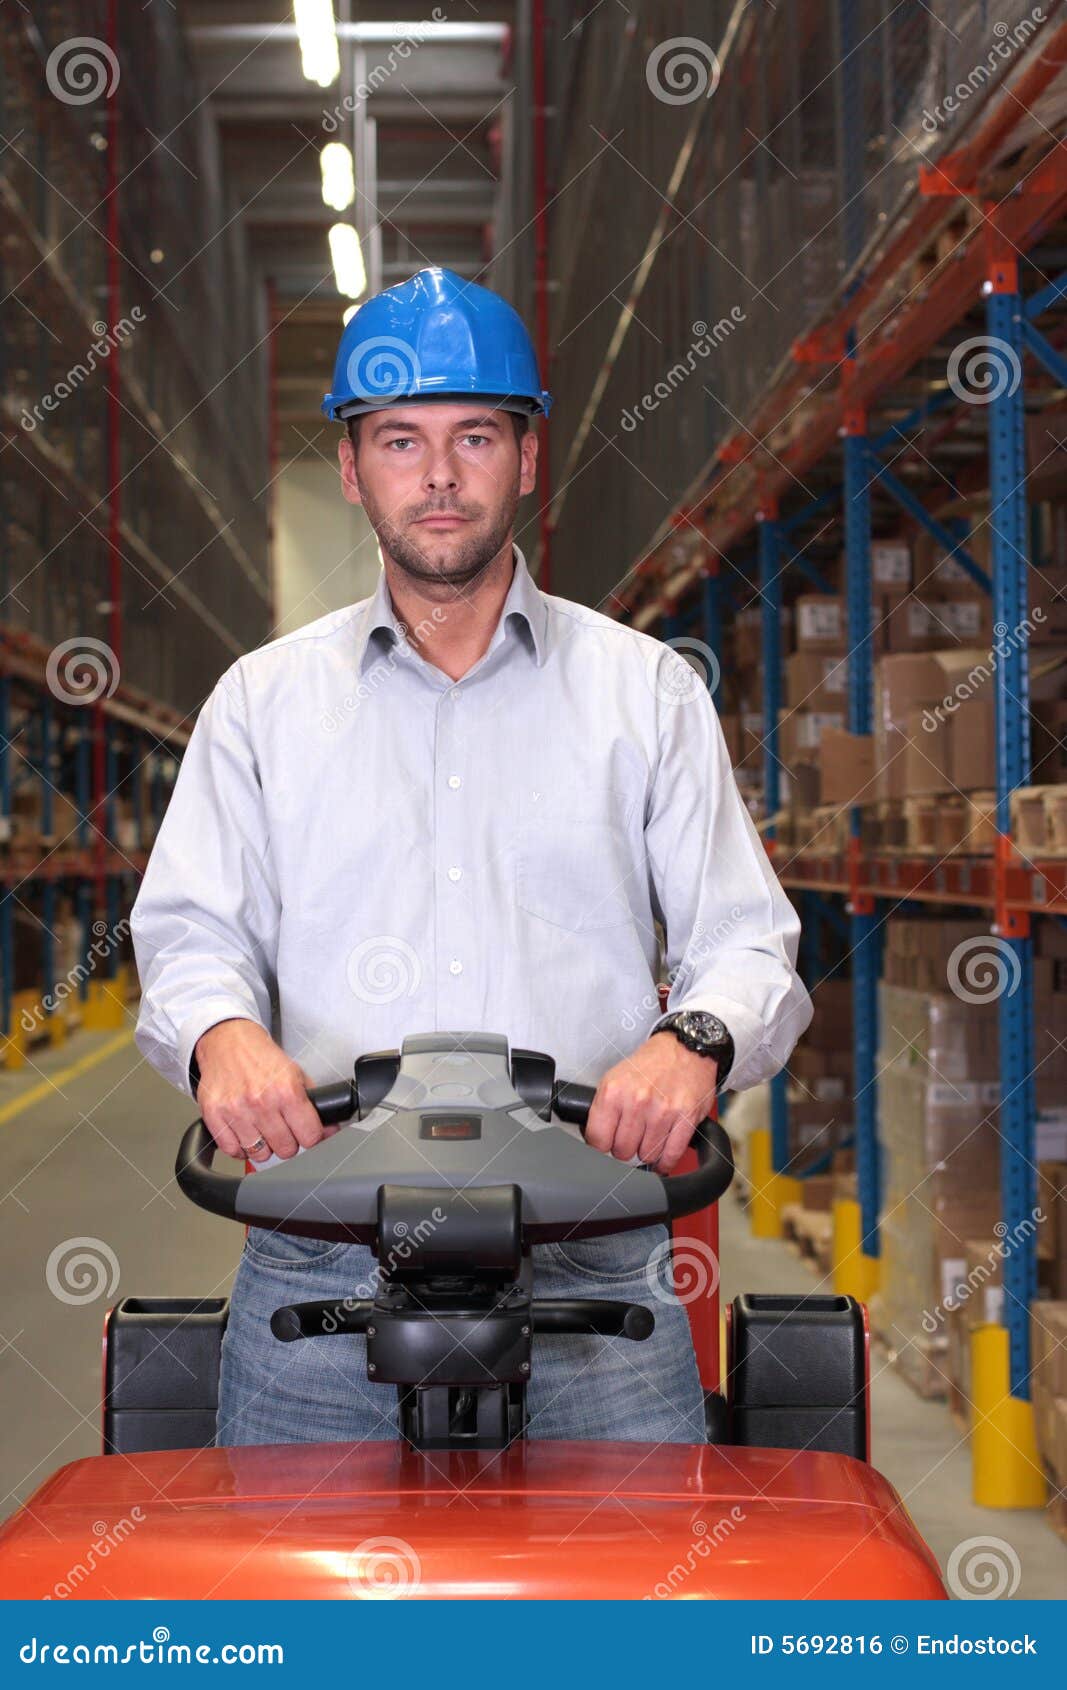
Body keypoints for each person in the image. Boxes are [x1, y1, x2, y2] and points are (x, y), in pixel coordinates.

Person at [131, 265, 812, 1448]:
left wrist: (692, 1038)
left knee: (623, 1615)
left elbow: (744, 941)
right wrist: (218, 1033)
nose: (438, 475)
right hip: (320, 1256)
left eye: (475, 435)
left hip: (591, 1259)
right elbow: (190, 934)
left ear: (527, 458)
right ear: (351, 468)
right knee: (289, 1623)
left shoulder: (641, 693)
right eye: (400, 440)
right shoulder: (261, 705)